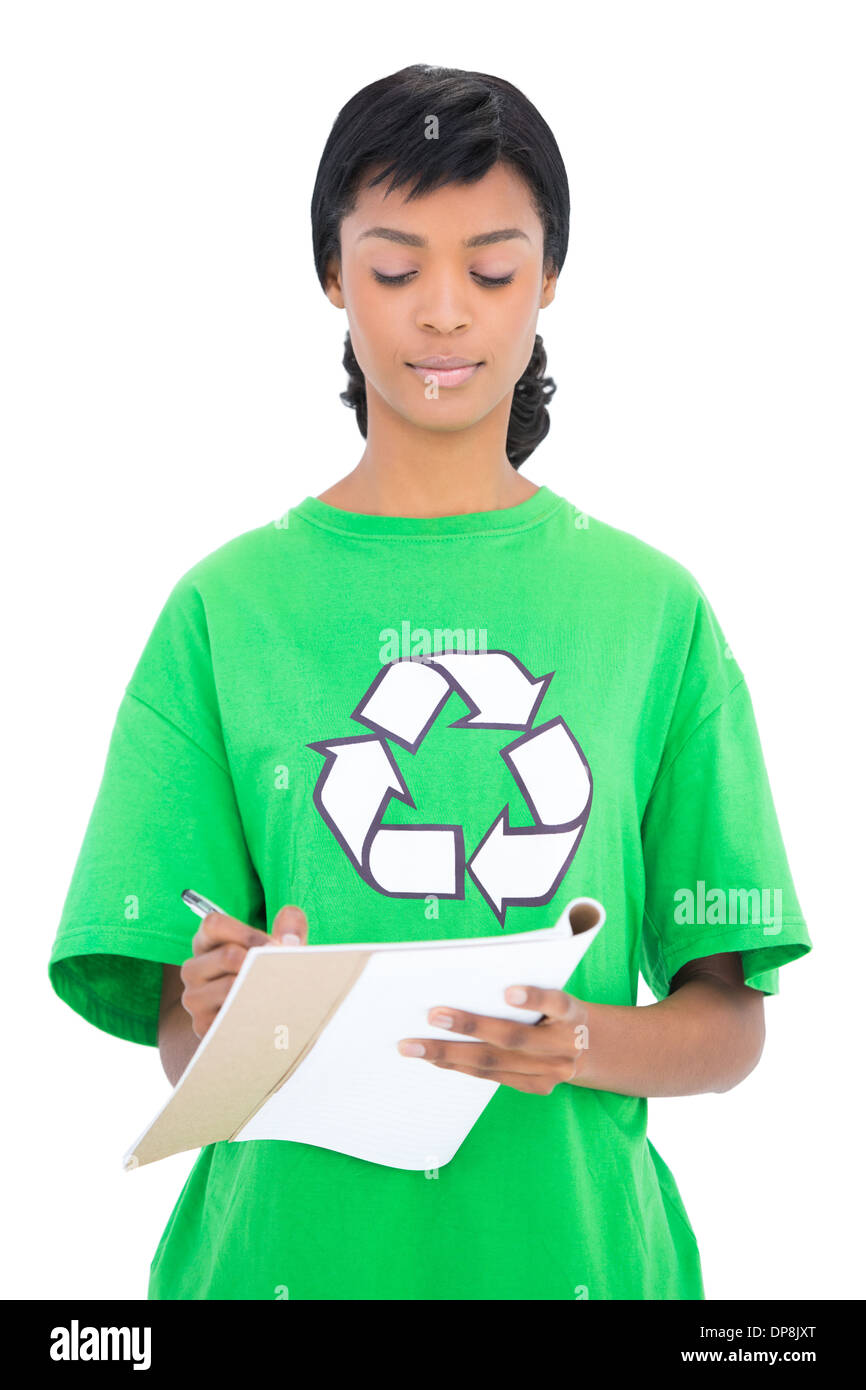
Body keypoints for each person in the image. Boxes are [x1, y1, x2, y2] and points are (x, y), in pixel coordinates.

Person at [47, 63, 812, 1301]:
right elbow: (186, 1045)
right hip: (285, 1262)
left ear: (549, 276)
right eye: (395, 270)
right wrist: (224, 1007)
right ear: (332, 276)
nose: (443, 314)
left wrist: (577, 1040)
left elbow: (729, 1023)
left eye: (491, 270)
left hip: (573, 1261)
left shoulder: (651, 609)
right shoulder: (224, 610)